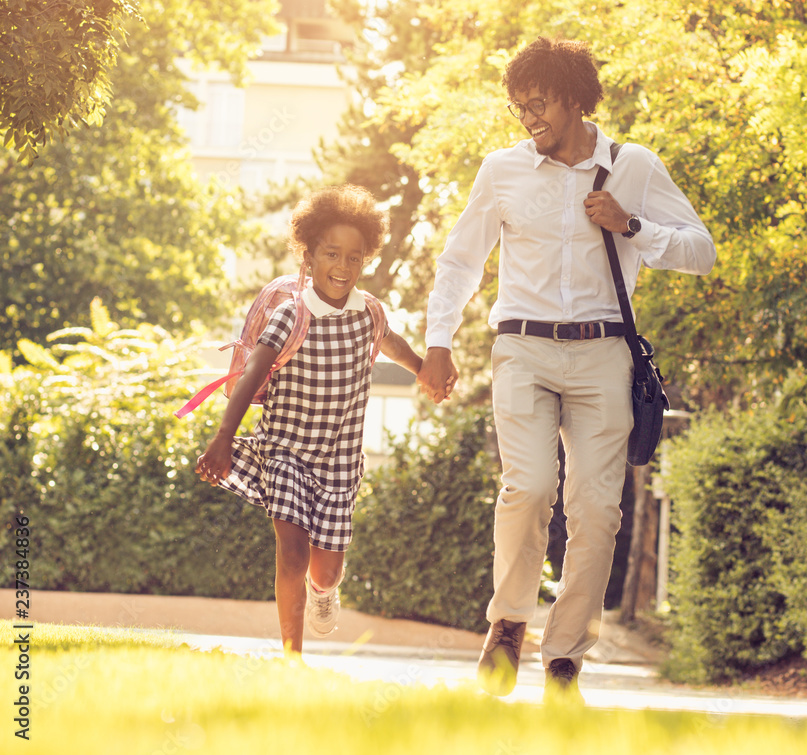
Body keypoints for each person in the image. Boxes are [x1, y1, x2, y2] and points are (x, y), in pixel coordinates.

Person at [417, 37, 716, 703]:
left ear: (576, 98)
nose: (529, 119)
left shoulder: (632, 166)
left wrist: (631, 225)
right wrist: (439, 338)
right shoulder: (502, 170)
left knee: (596, 509)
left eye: (539, 104)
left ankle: (565, 659)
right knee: (526, 488)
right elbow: (462, 260)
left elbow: (702, 251)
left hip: (604, 352)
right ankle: (508, 623)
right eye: (520, 108)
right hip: (521, 346)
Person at [196, 184, 423, 655]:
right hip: (284, 451)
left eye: (354, 258)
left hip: (339, 461)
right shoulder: (291, 314)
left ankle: (324, 594)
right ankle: (291, 659)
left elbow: (393, 343)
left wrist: (425, 369)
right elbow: (251, 372)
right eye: (331, 254)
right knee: (293, 551)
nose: (342, 267)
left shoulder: (370, 314)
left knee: (326, 570)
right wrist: (223, 438)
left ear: (366, 260)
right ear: (310, 254)